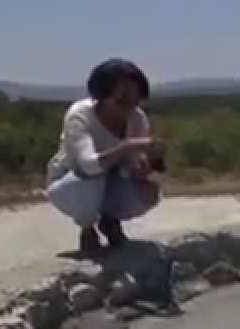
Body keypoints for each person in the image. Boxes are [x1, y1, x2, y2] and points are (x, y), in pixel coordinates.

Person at [46, 58, 165, 253]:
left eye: (136, 99)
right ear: (102, 95)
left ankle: (110, 220)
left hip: (109, 181)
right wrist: (127, 146)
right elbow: (88, 165)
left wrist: (143, 169)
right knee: (94, 175)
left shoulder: (137, 118)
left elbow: (131, 165)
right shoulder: (80, 115)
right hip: (70, 185)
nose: (130, 106)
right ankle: (87, 227)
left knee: (148, 193)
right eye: (122, 99)